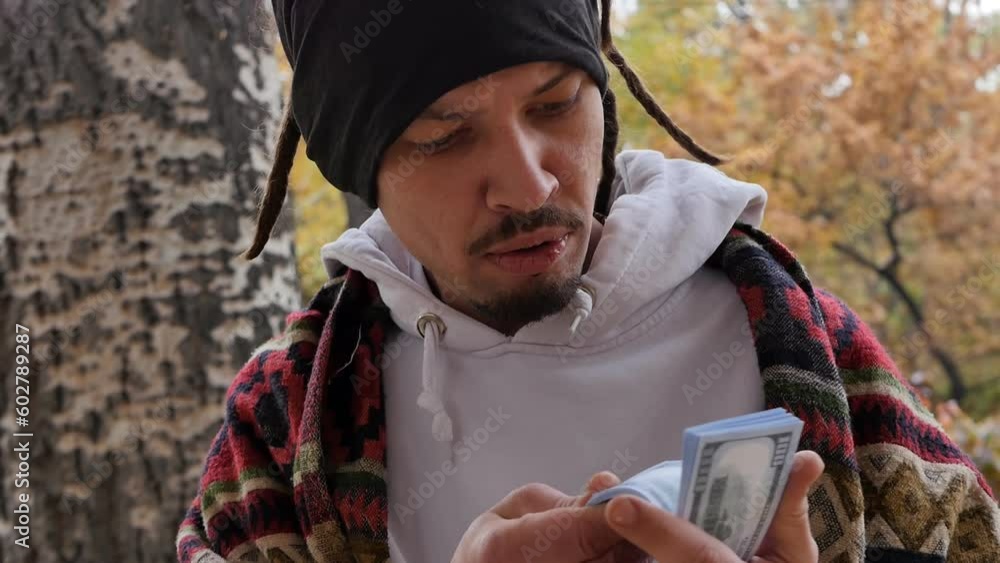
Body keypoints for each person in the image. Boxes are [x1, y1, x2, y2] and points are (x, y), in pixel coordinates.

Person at [176, 1, 999, 562]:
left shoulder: (796, 335)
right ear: (360, 169)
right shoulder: (287, 424)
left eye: (556, 104)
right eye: (443, 137)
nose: (529, 186)